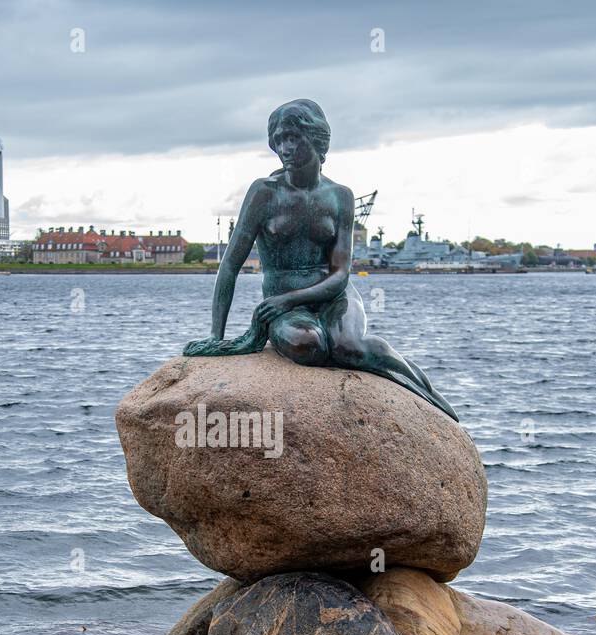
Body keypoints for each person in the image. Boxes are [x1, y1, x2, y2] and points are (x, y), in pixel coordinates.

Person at [183, 99, 459, 421]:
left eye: (293, 138)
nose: (284, 147)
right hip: (284, 305)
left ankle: (428, 395)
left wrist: (291, 298)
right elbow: (229, 266)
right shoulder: (264, 193)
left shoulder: (340, 196)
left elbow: (341, 273)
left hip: (334, 295)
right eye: (279, 139)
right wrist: (217, 337)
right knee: (308, 346)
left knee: (349, 347)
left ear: (316, 139)